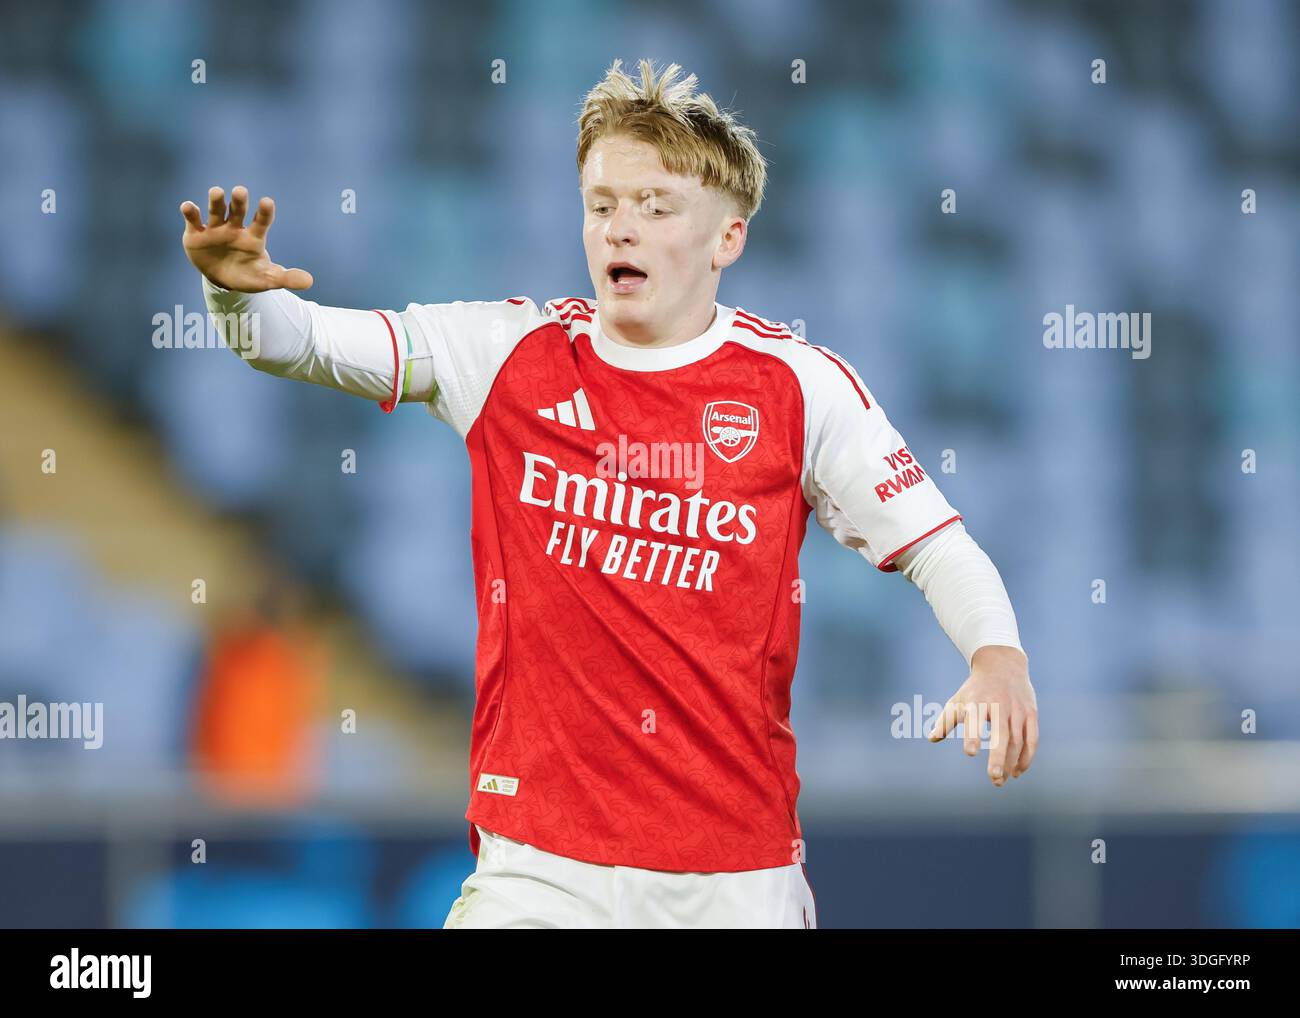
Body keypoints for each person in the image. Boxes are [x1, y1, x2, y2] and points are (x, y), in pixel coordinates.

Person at [180, 58, 1037, 929]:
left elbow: (936, 544)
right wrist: (232, 293)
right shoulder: (504, 353)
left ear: (726, 238)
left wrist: (995, 655)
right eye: (601, 206)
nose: (619, 230)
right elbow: (306, 342)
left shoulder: (798, 388)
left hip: (732, 880)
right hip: (538, 873)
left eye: (656, 208)